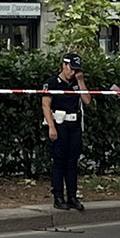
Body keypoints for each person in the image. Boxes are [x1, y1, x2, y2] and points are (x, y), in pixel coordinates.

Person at [41, 53, 88, 211]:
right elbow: (46, 105)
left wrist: (81, 81)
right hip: (59, 124)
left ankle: (72, 196)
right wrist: (51, 126)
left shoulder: (76, 83)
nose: (72, 73)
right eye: (71, 69)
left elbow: (87, 100)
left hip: (74, 125)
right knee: (59, 162)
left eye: (76, 70)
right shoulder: (52, 83)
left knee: (72, 162)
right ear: (64, 65)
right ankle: (58, 196)